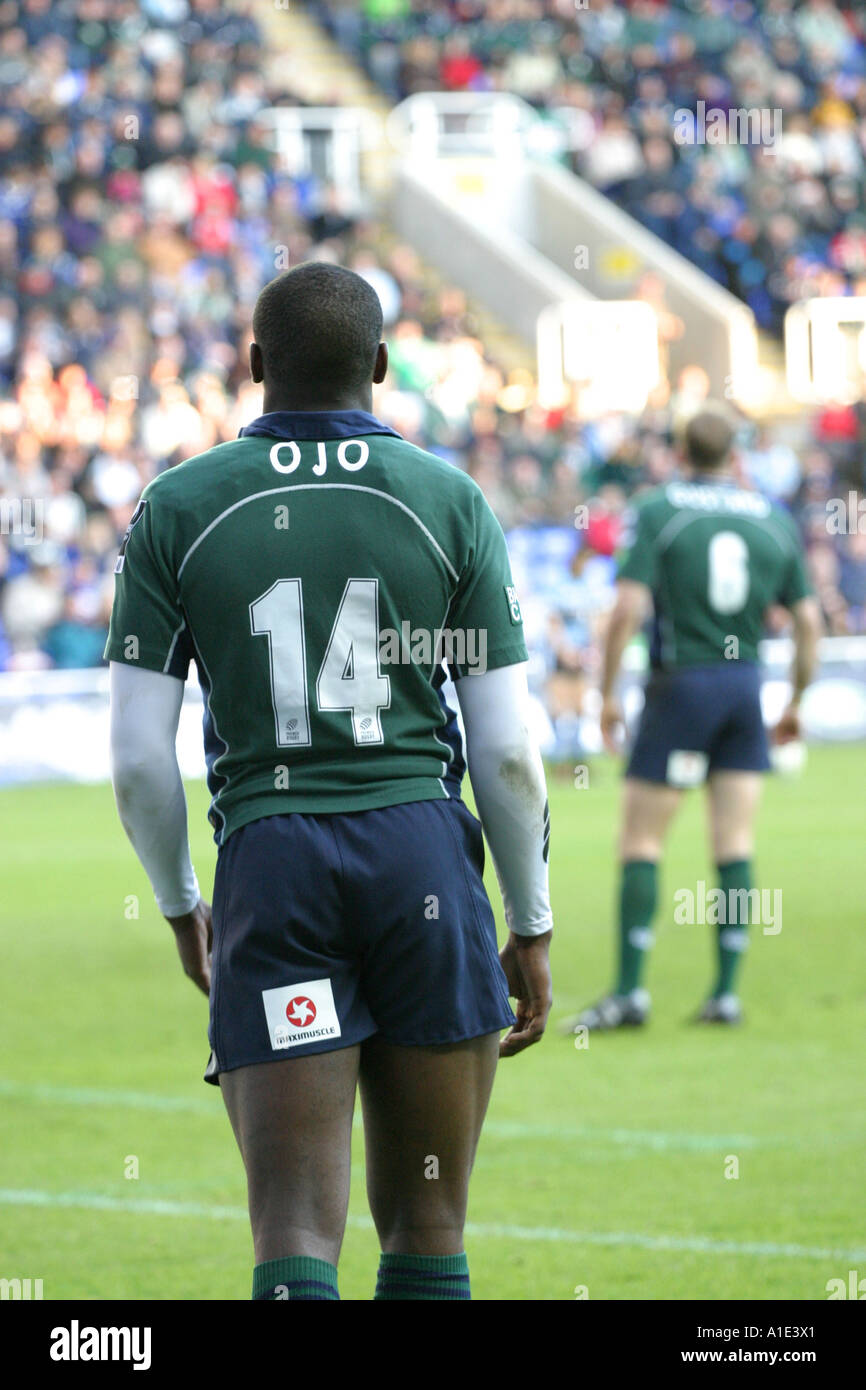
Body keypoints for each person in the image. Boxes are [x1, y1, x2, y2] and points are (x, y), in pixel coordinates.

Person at [105, 262, 553, 1301]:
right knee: (428, 1226)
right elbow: (508, 751)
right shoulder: (449, 498)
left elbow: (136, 757)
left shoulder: (179, 504)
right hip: (421, 861)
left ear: (255, 364)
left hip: (274, 862)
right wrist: (527, 918)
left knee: (295, 1231)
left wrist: (181, 904)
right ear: (383, 367)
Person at [570, 405, 821, 1031]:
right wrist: (794, 702)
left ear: (679, 452)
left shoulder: (660, 509)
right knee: (733, 841)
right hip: (744, 688)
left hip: (681, 685)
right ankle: (726, 992)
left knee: (642, 841)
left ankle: (629, 992)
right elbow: (810, 620)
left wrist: (605, 693)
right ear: (736, 455)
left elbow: (627, 606)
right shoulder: (772, 516)